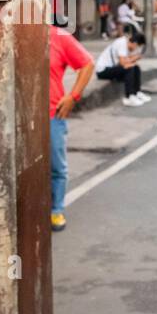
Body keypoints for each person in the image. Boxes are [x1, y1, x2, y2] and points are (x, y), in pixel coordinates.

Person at [48, 22, 93, 232]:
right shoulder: (10, 30)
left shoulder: (57, 36)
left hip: (52, 115)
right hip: (17, 116)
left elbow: (87, 64)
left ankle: (56, 210)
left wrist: (73, 97)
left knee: (57, 167)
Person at [95, 30, 150, 106]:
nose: (136, 49)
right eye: (137, 47)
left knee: (136, 67)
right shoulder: (122, 43)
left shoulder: (126, 44)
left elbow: (125, 60)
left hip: (112, 68)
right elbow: (123, 63)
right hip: (103, 71)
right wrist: (135, 58)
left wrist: (133, 59)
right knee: (129, 68)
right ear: (135, 43)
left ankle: (137, 92)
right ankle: (129, 97)